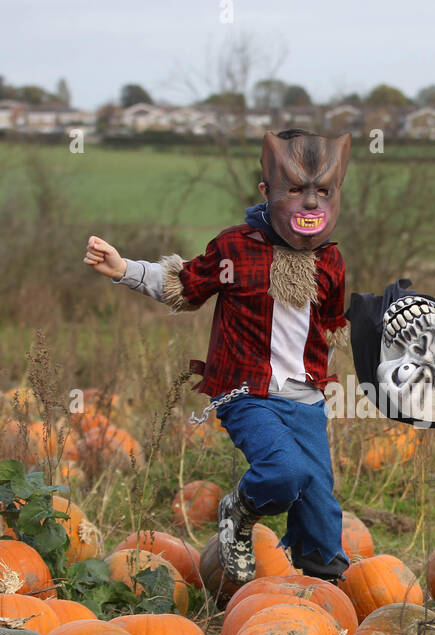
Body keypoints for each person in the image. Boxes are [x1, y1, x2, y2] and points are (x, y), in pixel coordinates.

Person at [83, 129, 353, 592]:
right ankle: (239, 510)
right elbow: (185, 285)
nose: (310, 204)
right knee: (285, 473)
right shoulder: (234, 248)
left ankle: (323, 589)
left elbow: (337, 324)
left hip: (306, 399)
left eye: (322, 192)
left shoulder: (330, 260)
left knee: (320, 503)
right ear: (267, 192)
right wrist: (124, 268)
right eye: (295, 190)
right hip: (246, 392)